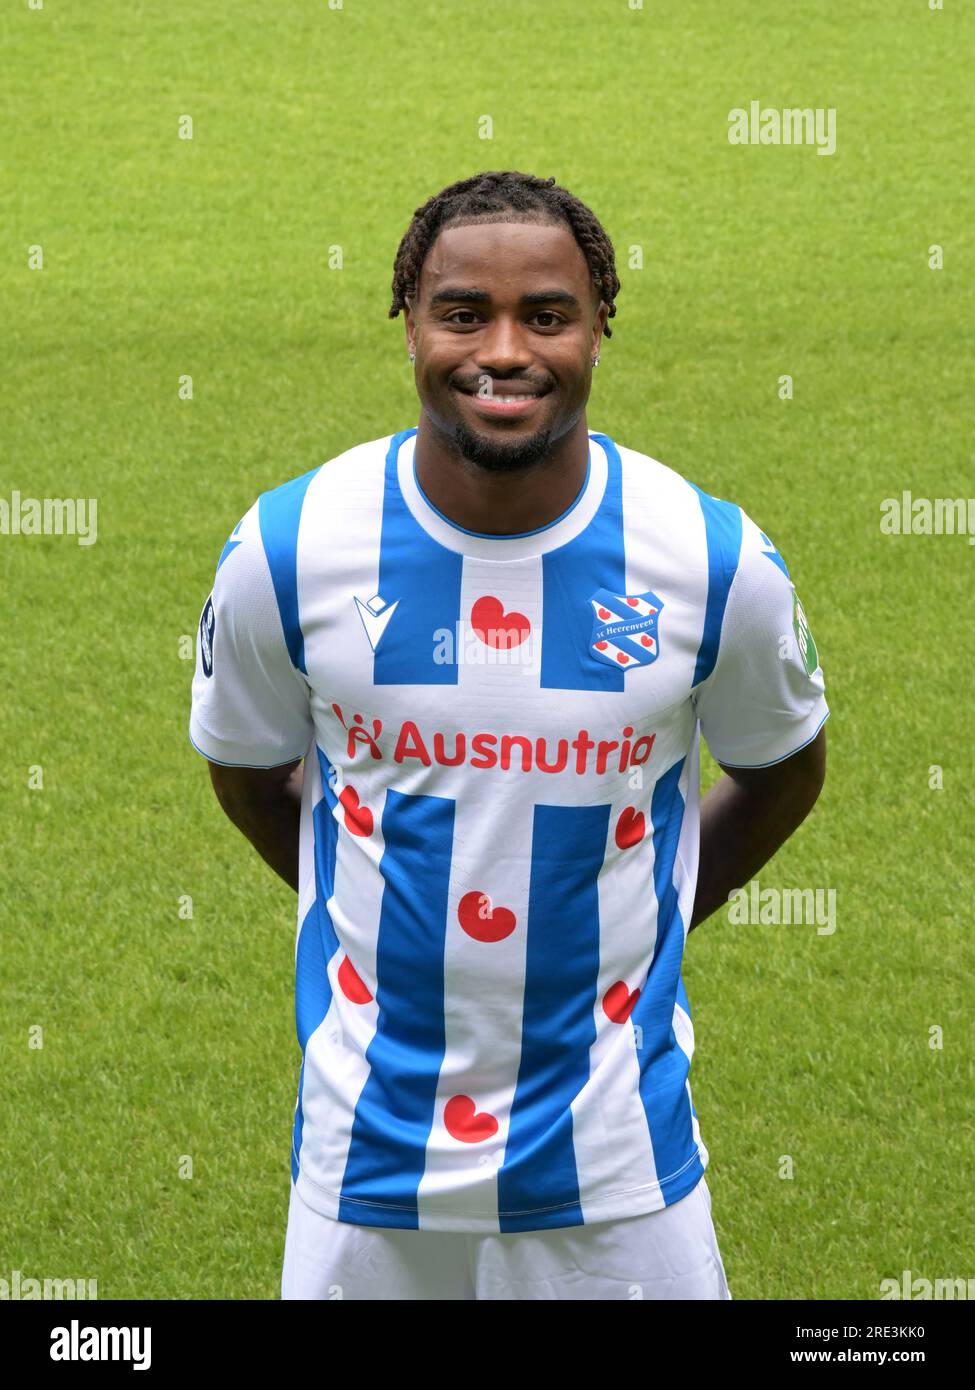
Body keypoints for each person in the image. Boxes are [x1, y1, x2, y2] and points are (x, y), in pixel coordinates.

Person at [189, 170, 829, 1300]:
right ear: (409, 325)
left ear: (598, 329)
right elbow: (247, 772)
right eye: (461, 312)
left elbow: (782, 770)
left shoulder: (710, 561)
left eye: (546, 314)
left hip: (621, 1163)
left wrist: (653, 906)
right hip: (366, 1162)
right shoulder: (287, 549)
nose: (503, 350)